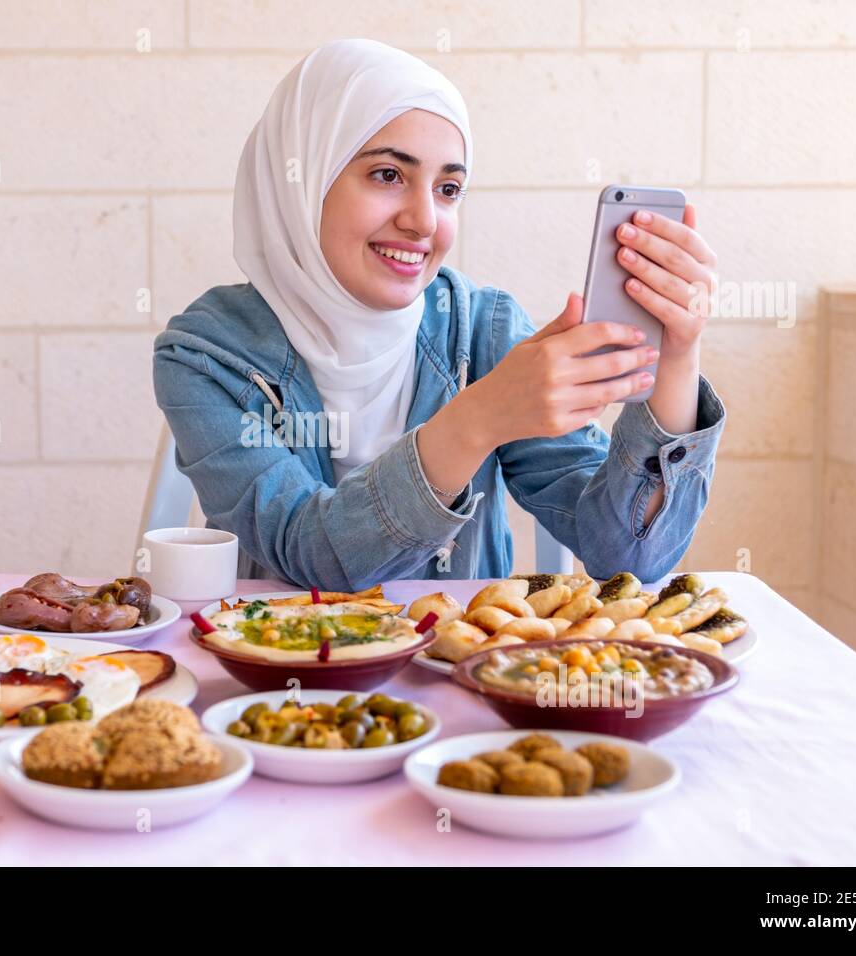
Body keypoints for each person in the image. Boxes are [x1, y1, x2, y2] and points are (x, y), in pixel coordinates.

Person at [152, 38, 725, 590]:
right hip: (279, 674)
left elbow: (628, 555)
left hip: (462, 673)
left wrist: (676, 355)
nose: (424, 221)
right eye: (388, 175)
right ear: (301, 180)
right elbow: (312, 552)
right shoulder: (206, 355)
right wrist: (478, 419)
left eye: (449, 188)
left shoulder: (482, 329)